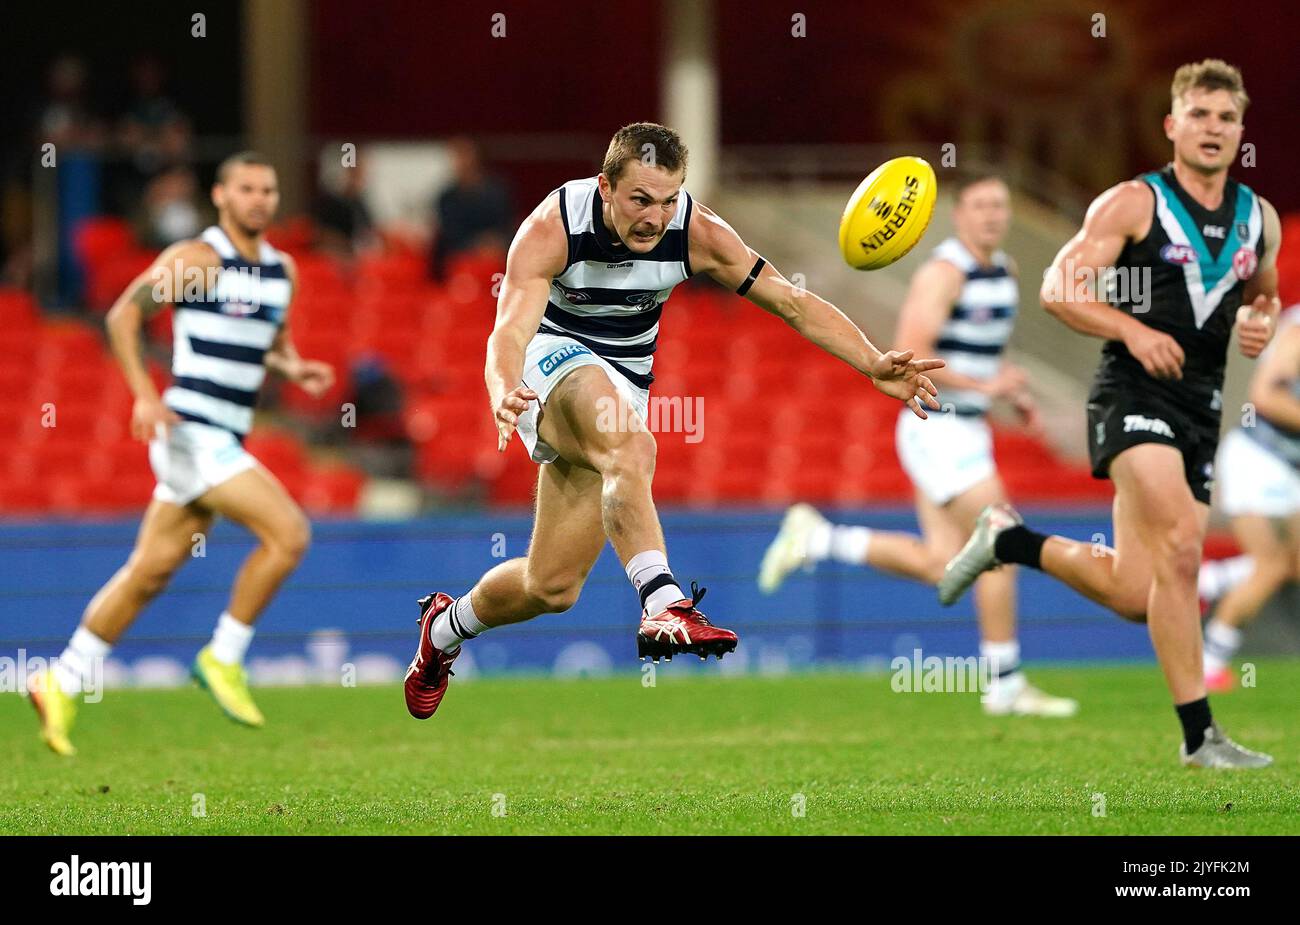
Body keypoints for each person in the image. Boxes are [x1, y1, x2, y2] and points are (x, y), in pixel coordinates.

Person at [403, 123, 944, 719]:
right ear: (606, 187)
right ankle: (663, 602)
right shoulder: (553, 225)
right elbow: (508, 329)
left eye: (667, 201)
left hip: (626, 381)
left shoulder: (698, 232)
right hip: (551, 362)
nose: (655, 218)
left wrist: (871, 361)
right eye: (640, 200)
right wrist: (505, 388)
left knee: (550, 587)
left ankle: (445, 630)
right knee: (633, 445)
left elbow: (790, 301)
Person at [938, 61, 1281, 768]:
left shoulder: (1259, 218)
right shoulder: (1132, 203)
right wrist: (1131, 329)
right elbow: (1058, 288)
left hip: (1200, 407)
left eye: (1225, 118)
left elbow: (1265, 298)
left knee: (1136, 590)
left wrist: (1258, 323)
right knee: (1183, 547)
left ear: (1240, 130)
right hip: (1130, 395)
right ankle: (1199, 736)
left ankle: (1010, 543)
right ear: (1172, 125)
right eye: (1199, 115)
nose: (1213, 129)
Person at [26, 153, 336, 756]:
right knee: (290, 534)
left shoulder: (280, 271)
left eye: (268, 189)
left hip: (227, 435)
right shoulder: (199, 261)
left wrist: (292, 365)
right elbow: (122, 316)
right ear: (221, 196)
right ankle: (223, 657)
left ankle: (61, 680)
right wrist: (144, 397)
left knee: (150, 572)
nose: (259, 199)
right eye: (246, 188)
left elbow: (266, 344)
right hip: (193, 431)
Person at [759, 174, 1075, 717]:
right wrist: (986, 387)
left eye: (1000, 206)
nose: (993, 216)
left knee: (944, 564)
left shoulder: (1004, 271)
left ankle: (819, 541)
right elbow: (913, 354)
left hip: (965, 426)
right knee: (1005, 540)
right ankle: (1004, 684)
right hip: (939, 424)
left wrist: (1008, 389)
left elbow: (975, 353)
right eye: (980, 206)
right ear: (957, 214)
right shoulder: (943, 274)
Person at [1202, 307, 1300, 690]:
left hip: (1289, 465)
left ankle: (1213, 578)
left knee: (1292, 564)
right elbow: (1264, 395)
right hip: (1259, 459)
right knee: (1270, 566)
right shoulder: (1297, 332)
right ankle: (1209, 663)